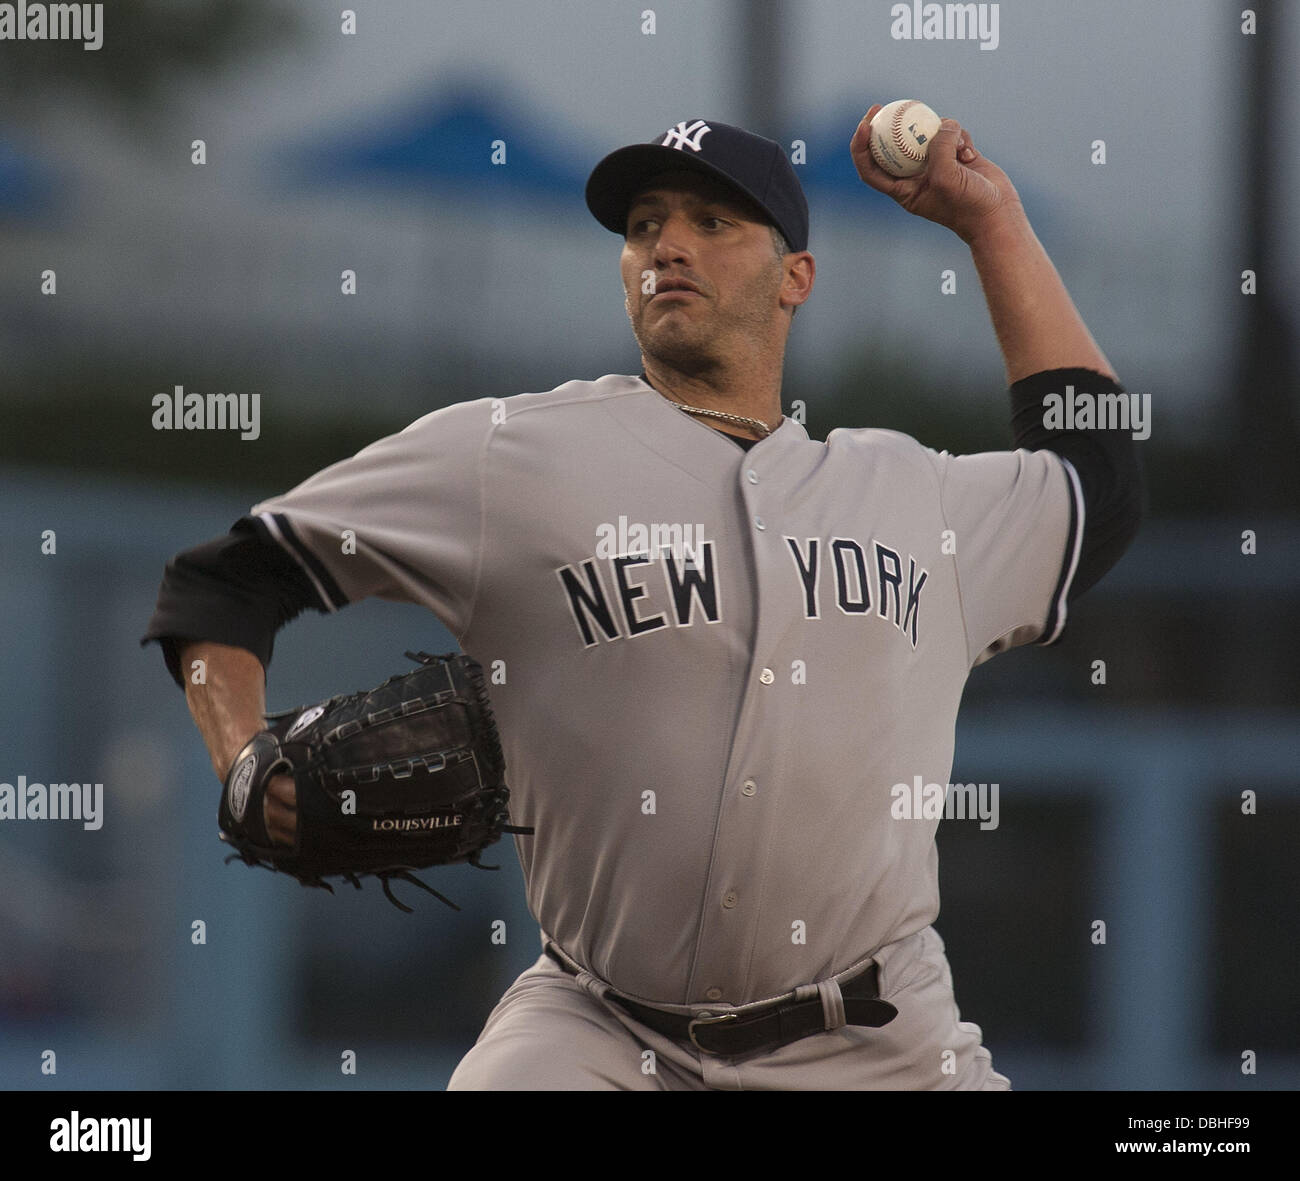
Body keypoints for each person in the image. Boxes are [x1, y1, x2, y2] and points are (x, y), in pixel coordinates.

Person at [143, 109, 1143, 1090]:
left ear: (795, 276)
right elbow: (225, 580)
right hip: (600, 1032)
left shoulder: (909, 493)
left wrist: (992, 221)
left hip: (879, 1042)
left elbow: (1097, 478)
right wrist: (240, 761)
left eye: (712, 222)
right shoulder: (512, 455)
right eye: (644, 225)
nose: (668, 243)